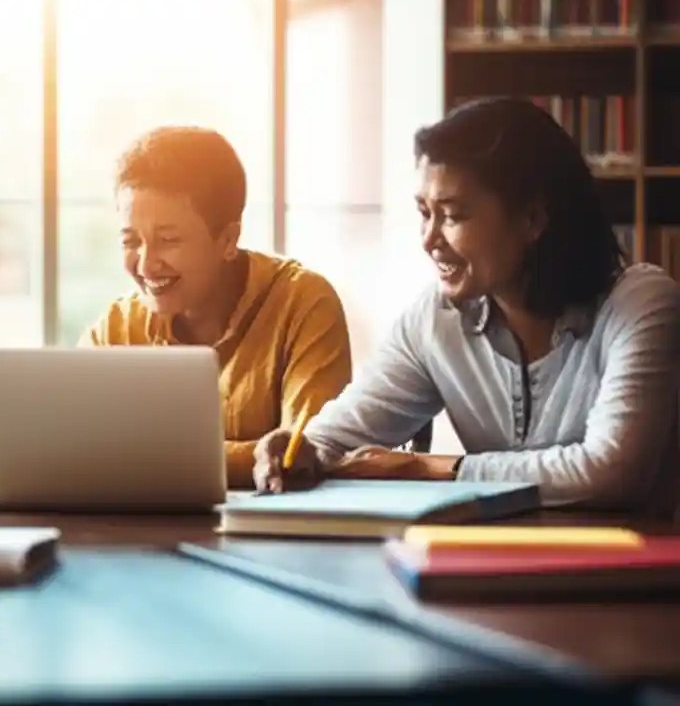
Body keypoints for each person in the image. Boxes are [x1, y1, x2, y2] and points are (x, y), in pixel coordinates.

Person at [253, 97, 680, 518]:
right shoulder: (435, 321)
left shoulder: (640, 304)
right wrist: (291, 448)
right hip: (492, 567)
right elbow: (331, 443)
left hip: (630, 574)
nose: (429, 239)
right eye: (425, 213)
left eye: (452, 216)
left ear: (533, 218)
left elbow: (611, 471)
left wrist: (433, 468)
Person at [83, 126, 352, 488]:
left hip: (267, 536)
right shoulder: (116, 327)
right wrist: (249, 456)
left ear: (227, 239)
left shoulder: (303, 302)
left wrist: (140, 459)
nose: (146, 265)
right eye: (131, 241)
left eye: (168, 240)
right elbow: (83, 450)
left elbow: (302, 455)